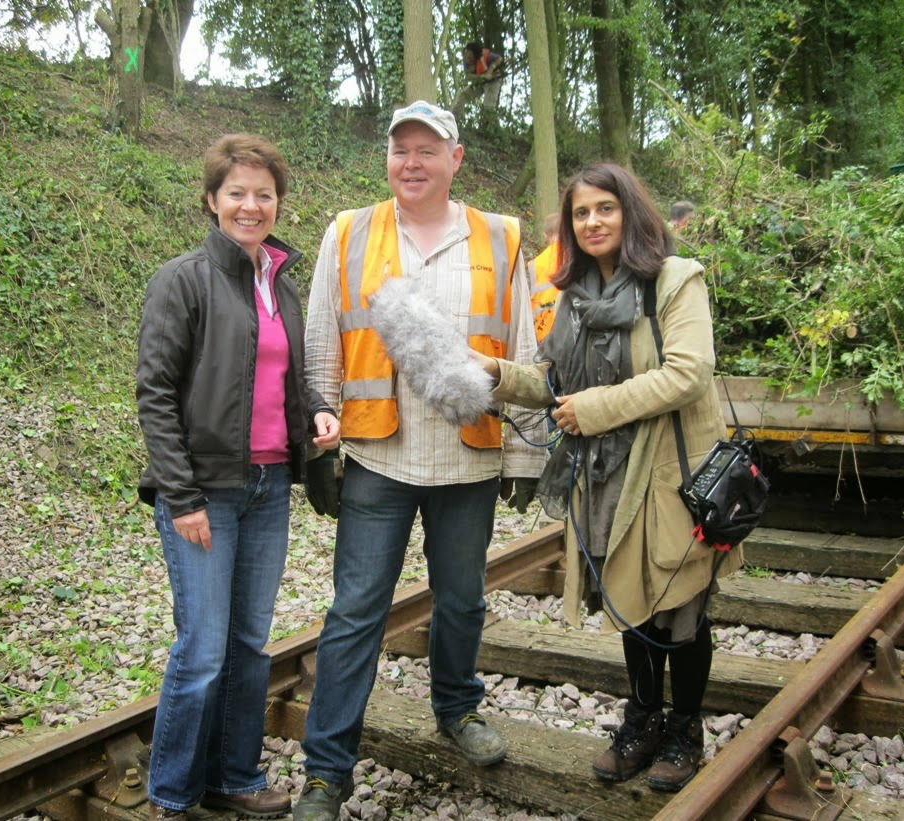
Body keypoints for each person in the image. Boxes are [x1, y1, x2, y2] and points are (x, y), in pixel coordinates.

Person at [295, 101, 546, 821]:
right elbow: (322, 336)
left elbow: (524, 349)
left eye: (427, 150)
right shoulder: (349, 231)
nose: (412, 161)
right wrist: (321, 423)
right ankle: (326, 771)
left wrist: (525, 452)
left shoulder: (501, 238)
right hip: (377, 453)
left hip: (468, 460)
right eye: (400, 149)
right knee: (355, 611)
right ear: (388, 158)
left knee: (462, 598)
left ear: (455, 159)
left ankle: (458, 708)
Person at [474, 163, 743, 793]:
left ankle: (684, 729)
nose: (592, 221)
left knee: (679, 607)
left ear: (630, 212)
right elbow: (558, 383)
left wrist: (593, 410)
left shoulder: (675, 280)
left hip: (670, 475)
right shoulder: (573, 298)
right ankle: (641, 721)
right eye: (580, 213)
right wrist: (497, 374)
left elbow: (689, 373)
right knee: (630, 605)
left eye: (605, 208)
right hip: (604, 478)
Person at [136, 133, 341, 821]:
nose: (251, 205)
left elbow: (292, 380)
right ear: (211, 200)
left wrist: (315, 414)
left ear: (278, 203)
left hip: (267, 488)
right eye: (237, 193)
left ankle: (233, 773)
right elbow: (156, 395)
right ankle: (171, 793)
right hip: (205, 495)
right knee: (201, 650)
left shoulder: (281, 285)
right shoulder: (183, 280)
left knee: (249, 645)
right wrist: (181, 495)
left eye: (264, 194)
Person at [528, 212, 561, 343]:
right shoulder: (576, 256)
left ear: (546, 236)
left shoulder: (535, 263)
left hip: (542, 329)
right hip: (568, 326)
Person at [452, 41, 505, 114]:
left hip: (494, 80)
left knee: (489, 106)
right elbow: (469, 76)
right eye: (466, 52)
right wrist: (483, 76)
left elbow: (499, 58)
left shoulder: (486, 56)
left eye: (470, 54)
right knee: (463, 95)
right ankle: (454, 118)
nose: (467, 56)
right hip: (481, 81)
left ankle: (489, 122)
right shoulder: (466, 61)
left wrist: (491, 69)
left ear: (475, 56)